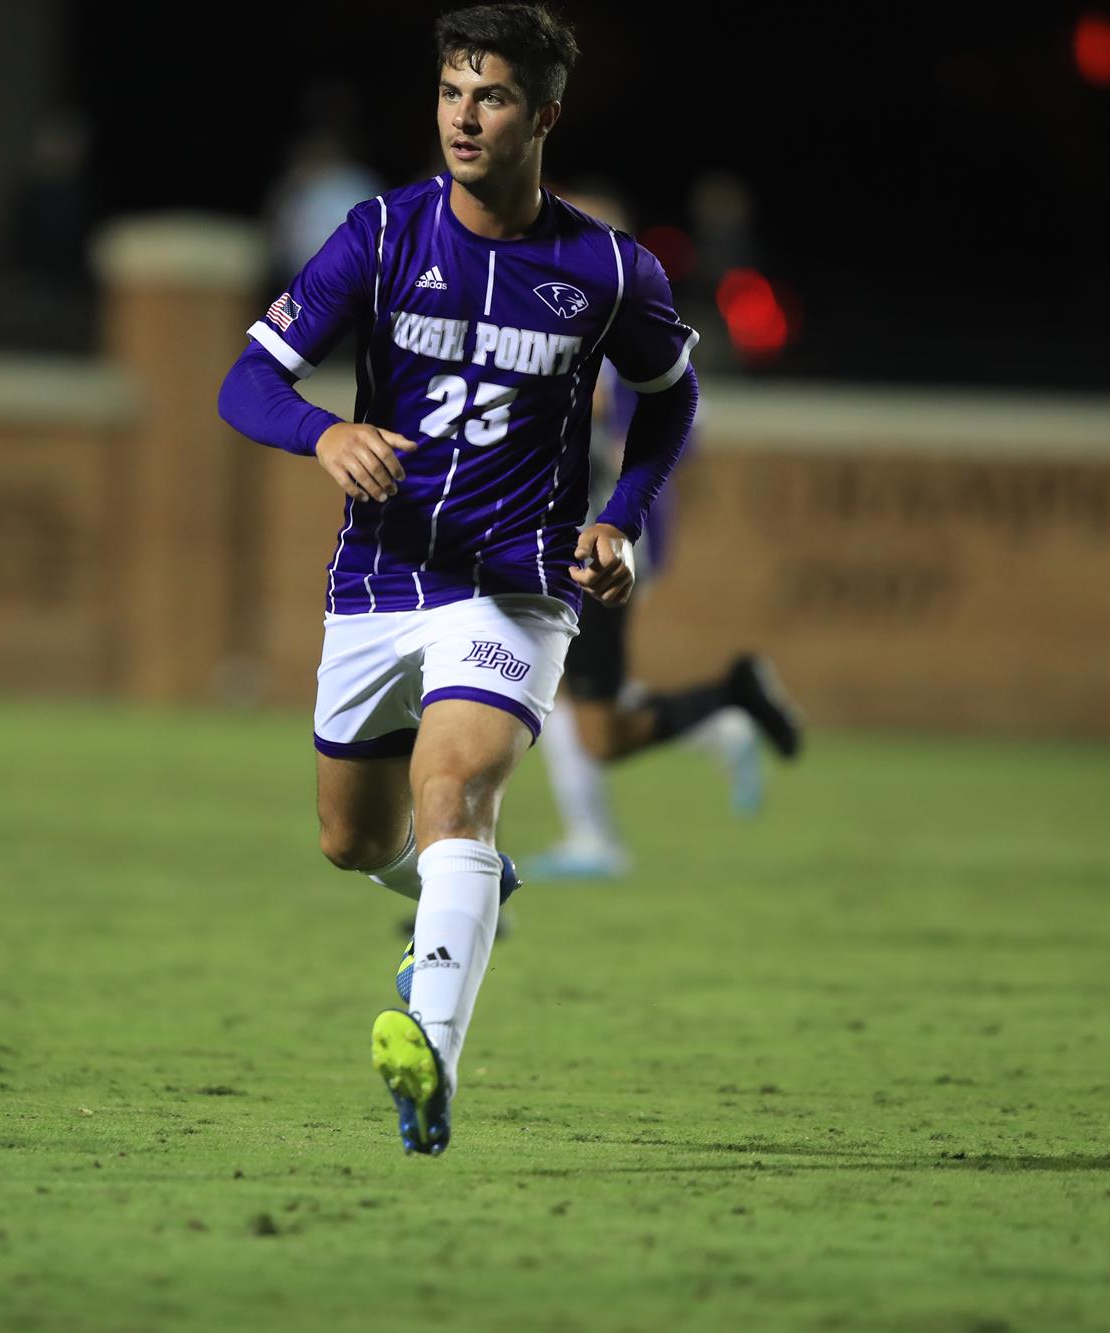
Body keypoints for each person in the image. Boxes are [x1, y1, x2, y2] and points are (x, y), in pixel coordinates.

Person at [217, 3, 700, 1156]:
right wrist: (324, 434)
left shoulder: (606, 270)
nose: (463, 117)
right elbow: (246, 383)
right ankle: (464, 891)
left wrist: (619, 517)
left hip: (516, 585)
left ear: (543, 117)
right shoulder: (382, 236)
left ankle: (428, 1055)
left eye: (490, 96)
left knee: (455, 791)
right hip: (377, 579)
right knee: (351, 840)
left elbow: (669, 397)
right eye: (449, 93)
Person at [530, 186, 804, 880]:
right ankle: (724, 712)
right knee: (579, 710)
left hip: (597, 542)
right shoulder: (557, 311)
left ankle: (591, 838)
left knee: (558, 697)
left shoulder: (619, 323)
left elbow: (679, 424)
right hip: (570, 537)